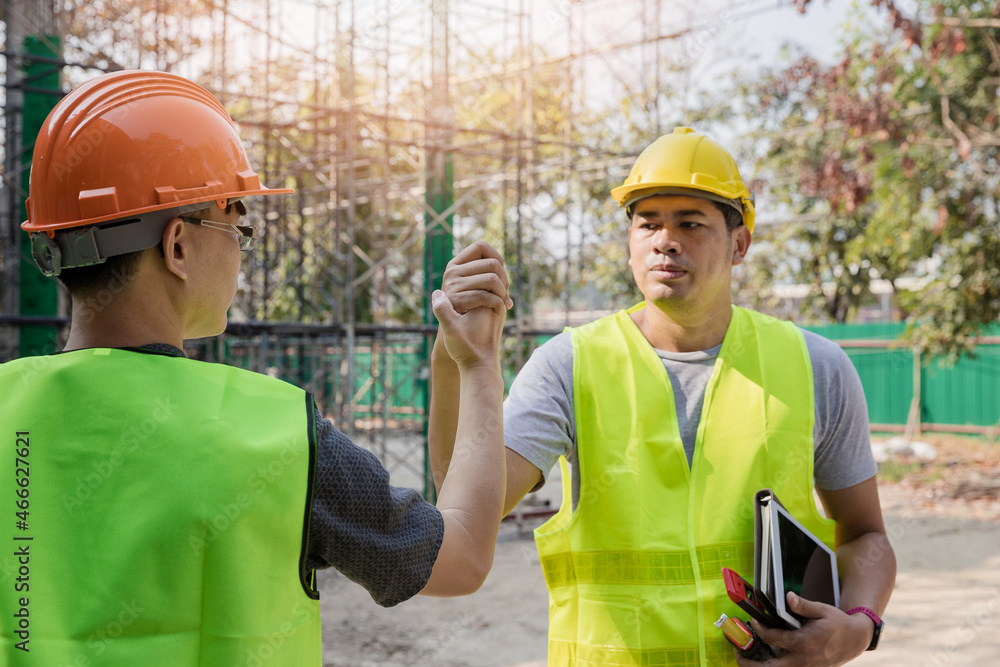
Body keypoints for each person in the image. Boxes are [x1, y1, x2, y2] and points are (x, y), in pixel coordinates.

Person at [0, 70, 511, 665]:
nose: (243, 251)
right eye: (237, 227)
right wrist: (476, 366)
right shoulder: (278, 437)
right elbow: (463, 555)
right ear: (178, 247)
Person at [430, 126, 896, 666]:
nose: (664, 240)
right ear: (630, 243)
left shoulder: (816, 368)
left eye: (690, 224)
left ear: (739, 243)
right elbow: (465, 507)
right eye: (647, 223)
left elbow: (866, 537)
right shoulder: (570, 364)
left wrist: (858, 629)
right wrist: (454, 359)